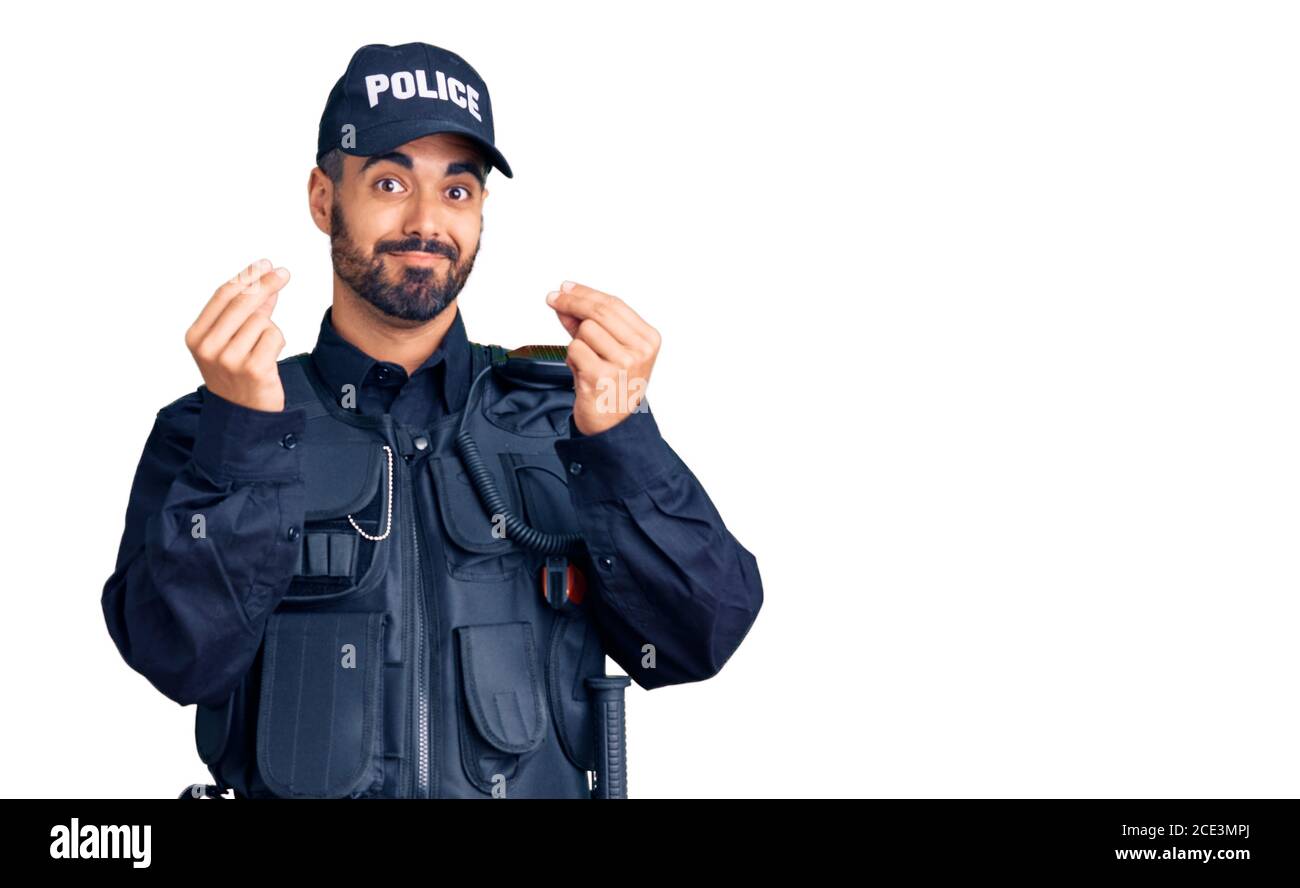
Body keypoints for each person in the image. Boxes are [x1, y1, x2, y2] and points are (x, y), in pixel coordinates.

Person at [101, 41, 763, 799]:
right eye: (389, 182)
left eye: (457, 191)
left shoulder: (566, 418)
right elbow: (175, 660)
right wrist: (243, 448)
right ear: (323, 199)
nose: (426, 223)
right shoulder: (215, 428)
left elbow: (696, 641)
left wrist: (623, 444)